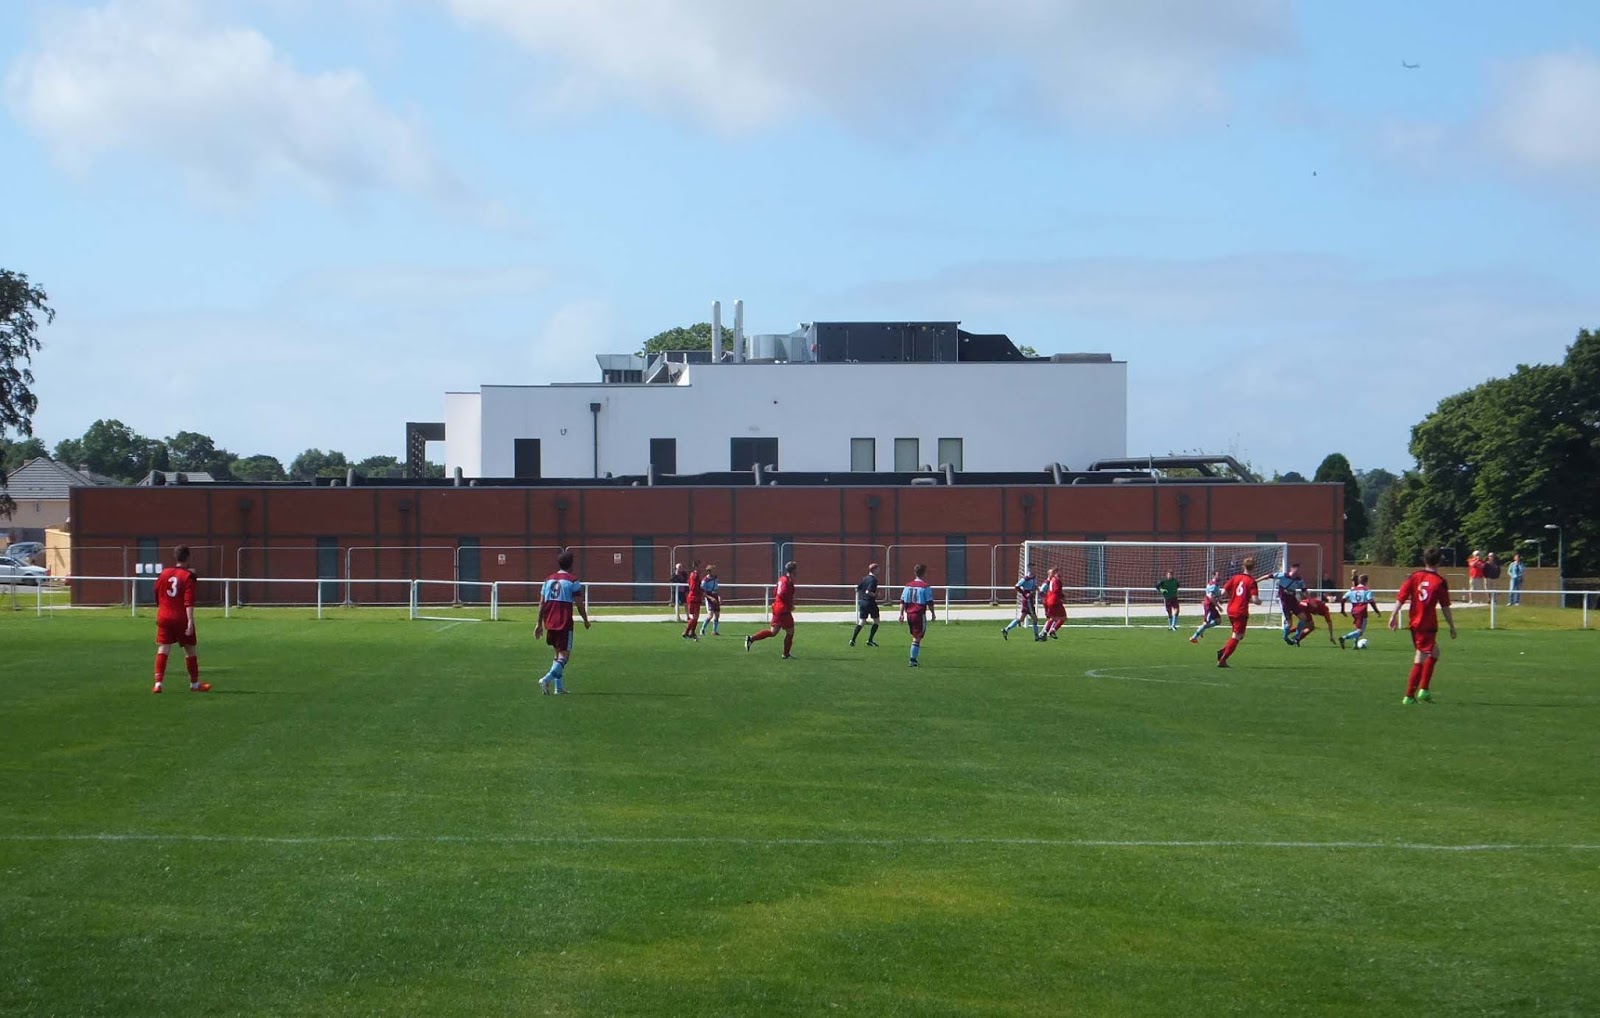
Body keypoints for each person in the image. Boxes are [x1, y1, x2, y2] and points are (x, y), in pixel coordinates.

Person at [1390, 547, 1458, 705]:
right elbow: (1445, 607)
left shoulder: (1414, 577)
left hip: (1415, 623)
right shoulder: (1439, 582)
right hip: (1426, 624)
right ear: (1439, 561)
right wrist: (1452, 626)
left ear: (1424, 560)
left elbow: (1401, 597)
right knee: (1420, 658)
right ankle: (1409, 696)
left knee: (1434, 653)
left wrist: (1393, 615)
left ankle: (1424, 690)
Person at [534, 549, 591, 695]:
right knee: (564, 656)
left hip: (550, 622)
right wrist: (585, 619)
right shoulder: (573, 581)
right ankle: (546, 679)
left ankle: (558, 688)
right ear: (571, 564)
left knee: (558, 654)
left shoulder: (547, 580)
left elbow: (541, 603)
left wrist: (538, 624)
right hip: (564, 622)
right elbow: (579, 603)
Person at [152, 544, 208, 694]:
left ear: (175, 557)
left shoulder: (163, 574)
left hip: (164, 616)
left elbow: (156, 592)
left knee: (163, 648)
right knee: (190, 650)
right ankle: (195, 684)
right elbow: (188, 601)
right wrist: (190, 621)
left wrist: (162, 608)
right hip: (180, 617)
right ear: (188, 557)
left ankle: (158, 684)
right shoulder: (188, 577)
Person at [1215, 556, 1262, 668]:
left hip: (1231, 609)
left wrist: (1220, 598)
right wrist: (1259, 601)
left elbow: (1223, 593)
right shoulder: (1251, 581)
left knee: (1239, 635)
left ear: (1243, 566)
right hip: (1240, 611)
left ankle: (1223, 650)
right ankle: (1222, 659)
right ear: (1254, 568)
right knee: (1237, 636)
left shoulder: (1235, 577)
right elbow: (1255, 600)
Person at [746, 560, 797, 658]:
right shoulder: (788, 581)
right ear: (794, 570)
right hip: (783, 609)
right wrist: (789, 605)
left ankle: (751, 639)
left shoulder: (781, 579)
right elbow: (782, 594)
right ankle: (785, 654)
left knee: (773, 632)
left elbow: (775, 592)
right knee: (790, 631)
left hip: (777, 607)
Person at [899, 563, 936, 667]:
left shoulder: (908, 585)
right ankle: (913, 660)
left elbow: (902, 601)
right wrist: (933, 613)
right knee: (917, 638)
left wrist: (901, 614)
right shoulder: (925, 586)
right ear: (924, 573)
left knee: (915, 636)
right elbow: (929, 602)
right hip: (919, 614)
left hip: (909, 614)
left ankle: (913, 659)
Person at [1266, 563, 1308, 643]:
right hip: (1285, 603)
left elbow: (1304, 590)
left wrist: (1310, 600)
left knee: (1303, 618)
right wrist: (1255, 581)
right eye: (1297, 570)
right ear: (1292, 569)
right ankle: (1285, 637)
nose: (1298, 572)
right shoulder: (1283, 575)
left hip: (1293, 602)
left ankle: (1297, 637)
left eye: (1299, 570)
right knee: (1290, 624)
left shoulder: (1299, 580)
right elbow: (1268, 576)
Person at [1339, 574, 1382, 648]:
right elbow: (1370, 601)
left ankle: (1355, 645)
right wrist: (1376, 611)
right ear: (1366, 581)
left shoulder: (1352, 590)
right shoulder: (1367, 590)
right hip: (1362, 611)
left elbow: (1343, 599)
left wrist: (1342, 610)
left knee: (1357, 628)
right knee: (1360, 631)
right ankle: (1344, 638)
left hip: (1354, 611)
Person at [1001, 568, 1041, 641]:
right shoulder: (1026, 578)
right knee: (1034, 619)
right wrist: (1025, 593)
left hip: (1030, 600)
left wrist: (1036, 589)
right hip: (1028, 601)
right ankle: (1036, 637)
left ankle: (1006, 630)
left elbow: (1033, 586)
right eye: (1033, 568)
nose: (1035, 570)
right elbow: (1017, 586)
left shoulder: (1033, 577)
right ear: (1030, 570)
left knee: (1021, 619)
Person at [1189, 571, 1226, 643]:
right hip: (1209, 605)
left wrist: (1219, 600)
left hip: (1211, 605)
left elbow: (1215, 595)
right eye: (1218, 575)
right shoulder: (1213, 585)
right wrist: (1218, 607)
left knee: (1218, 620)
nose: (1219, 576)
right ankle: (1194, 636)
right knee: (1206, 623)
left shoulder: (1215, 584)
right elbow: (1211, 597)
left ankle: (1202, 628)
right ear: (1213, 576)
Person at [850, 562, 882, 647]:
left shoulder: (865, 578)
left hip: (863, 602)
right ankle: (870, 640)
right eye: (878, 569)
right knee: (877, 621)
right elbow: (868, 591)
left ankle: (853, 640)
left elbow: (857, 588)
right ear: (874, 569)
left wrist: (862, 595)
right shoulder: (873, 580)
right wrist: (876, 595)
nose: (879, 570)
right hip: (870, 602)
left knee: (862, 621)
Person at [1040, 566, 1067, 640]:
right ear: (1057, 572)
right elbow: (1056, 591)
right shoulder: (1057, 580)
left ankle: (1044, 633)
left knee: (1052, 618)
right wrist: (1062, 596)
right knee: (1063, 618)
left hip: (1049, 601)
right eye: (1061, 571)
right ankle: (1053, 630)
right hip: (1055, 601)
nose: (1062, 573)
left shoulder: (1051, 580)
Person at [681, 560, 703, 640]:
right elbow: (693, 587)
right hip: (694, 597)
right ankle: (686, 632)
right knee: (694, 616)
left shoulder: (693, 574)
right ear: (696, 567)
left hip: (695, 597)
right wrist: (700, 590)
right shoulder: (695, 575)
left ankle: (692, 632)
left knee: (696, 616)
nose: (701, 568)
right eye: (700, 566)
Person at [699, 564, 722, 636]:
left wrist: (718, 596)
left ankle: (714, 631)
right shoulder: (705, 580)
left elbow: (717, 588)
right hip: (709, 597)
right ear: (709, 571)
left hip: (715, 596)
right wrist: (710, 598)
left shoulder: (715, 578)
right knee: (710, 615)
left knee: (717, 614)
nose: (715, 571)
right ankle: (702, 629)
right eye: (713, 570)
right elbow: (702, 592)